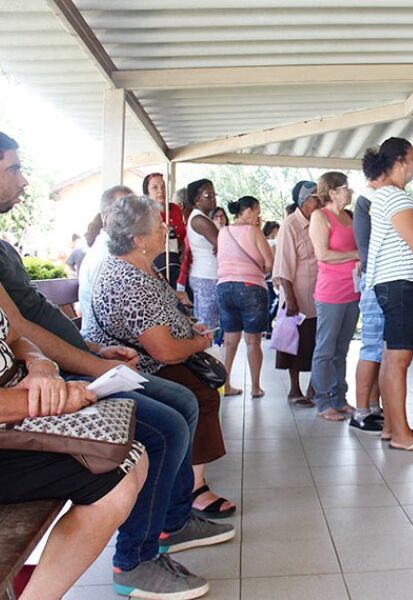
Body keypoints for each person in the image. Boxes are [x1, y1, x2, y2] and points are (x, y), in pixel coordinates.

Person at [0, 132, 233, 598]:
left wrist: (44, 360)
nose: (24, 180)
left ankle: (169, 521)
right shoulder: (122, 272)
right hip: (40, 392)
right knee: (165, 422)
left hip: (56, 371)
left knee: (182, 403)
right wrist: (75, 369)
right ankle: (136, 558)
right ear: (143, 236)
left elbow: (14, 329)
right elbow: (162, 349)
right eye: (13, 168)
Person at [84, 195, 236, 519]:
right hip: (138, 367)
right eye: (159, 225)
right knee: (199, 393)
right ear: (138, 239)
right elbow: (163, 351)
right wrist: (197, 344)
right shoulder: (131, 279)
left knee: (199, 388)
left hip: (146, 360)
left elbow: (162, 318)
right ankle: (193, 490)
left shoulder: (138, 267)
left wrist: (187, 325)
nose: (166, 227)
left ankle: (190, 486)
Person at [0, 305, 147, 600]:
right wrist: (46, 403)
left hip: (20, 412)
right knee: (115, 476)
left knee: (129, 454)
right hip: (15, 416)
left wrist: (41, 364)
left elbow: (14, 337)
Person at [365, 138, 413, 452]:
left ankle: (393, 428)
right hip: (403, 283)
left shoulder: (386, 196)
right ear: (400, 161)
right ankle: (400, 434)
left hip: (394, 283)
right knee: (399, 359)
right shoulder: (394, 197)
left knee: (390, 357)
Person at [308, 172, 360, 421]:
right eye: (345, 187)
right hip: (331, 291)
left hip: (353, 289)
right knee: (325, 349)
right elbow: (323, 254)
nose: (349, 191)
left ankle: (339, 398)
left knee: (342, 349)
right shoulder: (320, 216)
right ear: (332, 192)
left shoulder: (348, 217)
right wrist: (356, 255)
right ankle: (323, 401)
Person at [216, 196, 273, 398]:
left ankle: (226, 385)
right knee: (252, 341)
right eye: (257, 211)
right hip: (250, 288)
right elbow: (269, 262)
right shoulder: (253, 231)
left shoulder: (223, 232)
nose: (259, 215)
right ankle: (256, 387)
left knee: (230, 341)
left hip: (224, 288)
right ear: (248, 211)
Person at [273, 181, 321, 404]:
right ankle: (295, 390)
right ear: (303, 201)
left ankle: (313, 388)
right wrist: (290, 299)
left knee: (316, 342)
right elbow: (283, 266)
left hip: (319, 294)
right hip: (297, 296)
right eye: (314, 197)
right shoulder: (290, 225)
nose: (318, 201)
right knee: (294, 344)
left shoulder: (319, 222)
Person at [349, 161, 386, 433]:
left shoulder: (373, 200)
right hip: (374, 282)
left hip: (379, 281)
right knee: (372, 348)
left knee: (379, 350)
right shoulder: (368, 202)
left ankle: (373, 406)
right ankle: (361, 412)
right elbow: (365, 249)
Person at [78, 185, 135, 330]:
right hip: (105, 345)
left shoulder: (119, 250)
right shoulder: (104, 256)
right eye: (122, 209)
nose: (132, 216)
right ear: (105, 217)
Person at [185, 179, 220, 330]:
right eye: (208, 195)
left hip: (207, 274)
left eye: (214, 194)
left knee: (207, 323)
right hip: (207, 276)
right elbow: (223, 245)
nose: (213, 198)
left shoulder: (203, 218)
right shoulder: (199, 220)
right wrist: (222, 245)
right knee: (207, 326)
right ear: (197, 199)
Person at [144, 173, 186, 289]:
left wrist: (183, 247)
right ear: (147, 192)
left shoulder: (175, 208)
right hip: (157, 263)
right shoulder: (145, 213)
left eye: (163, 187)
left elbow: (181, 233)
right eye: (155, 187)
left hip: (177, 260)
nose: (160, 191)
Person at [262, 221, 280, 336]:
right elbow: (274, 261)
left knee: (270, 302)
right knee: (274, 302)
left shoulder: (262, 241)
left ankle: (267, 327)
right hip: (270, 278)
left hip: (262, 277)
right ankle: (268, 326)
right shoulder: (272, 242)